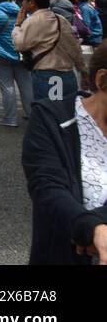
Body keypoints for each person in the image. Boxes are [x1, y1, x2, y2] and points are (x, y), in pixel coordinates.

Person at [21, 42, 107, 264]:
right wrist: (89, 228)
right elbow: (46, 185)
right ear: (102, 80)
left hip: (50, 73)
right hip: (56, 76)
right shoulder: (51, 118)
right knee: (54, 97)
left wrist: (96, 224)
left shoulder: (34, 22)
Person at [14, 0, 87, 102]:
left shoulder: (32, 21)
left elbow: (19, 45)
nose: (22, 3)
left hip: (47, 75)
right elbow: (74, 48)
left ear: (31, 2)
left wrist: (17, 25)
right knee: (68, 115)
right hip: (68, 74)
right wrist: (83, 70)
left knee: (51, 115)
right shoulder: (60, 19)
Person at [0, 0, 31, 127]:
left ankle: (11, 119)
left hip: (0, 52)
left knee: (7, 87)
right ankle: (32, 115)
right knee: (27, 86)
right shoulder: (20, 11)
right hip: (21, 52)